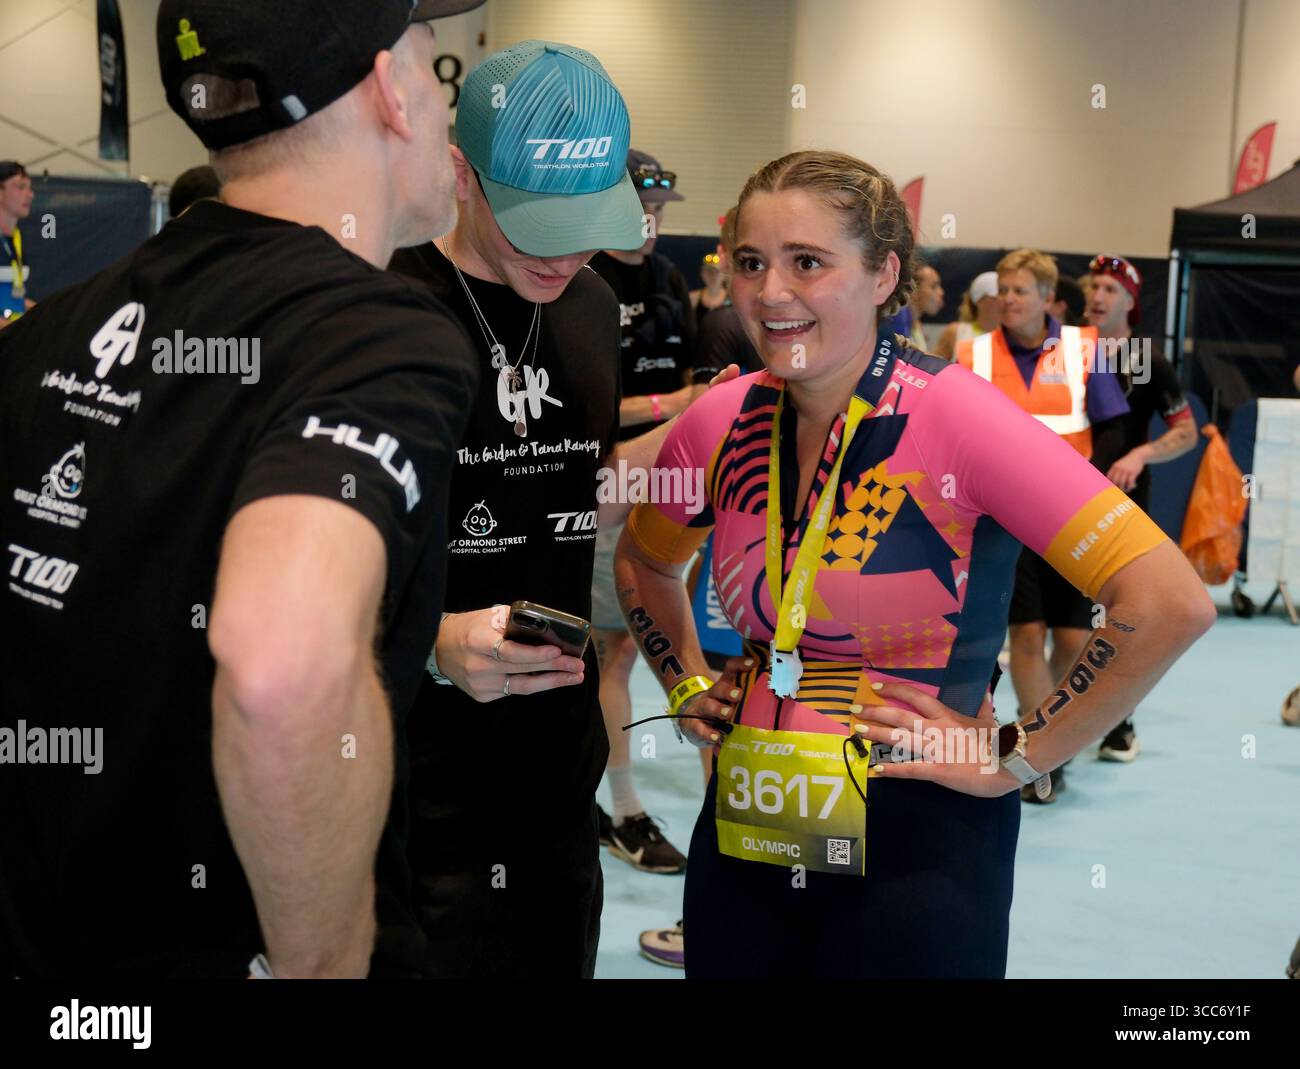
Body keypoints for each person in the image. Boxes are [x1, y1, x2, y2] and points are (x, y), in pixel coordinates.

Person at [613, 149, 1214, 978]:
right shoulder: (717, 421)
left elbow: (1167, 599)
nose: (770, 293)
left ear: (884, 274)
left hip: (919, 842)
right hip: (748, 823)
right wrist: (683, 686)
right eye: (750, 262)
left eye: (808, 262)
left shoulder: (963, 418)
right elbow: (644, 561)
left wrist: (1016, 754)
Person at [0, 0, 482, 979]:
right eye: (435, 73)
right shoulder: (376, 334)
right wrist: (324, 961)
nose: (443, 110)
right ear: (391, 89)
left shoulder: (50, 332)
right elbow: (279, 665)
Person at [388, 41, 728, 977]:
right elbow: (294, 556)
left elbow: (575, 488)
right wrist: (431, 637)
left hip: (552, 759)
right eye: (540, 224)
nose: (569, 252)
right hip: (410, 762)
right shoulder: (383, 309)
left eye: (589, 223)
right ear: (461, 175)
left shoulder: (586, 306)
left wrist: (690, 435)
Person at [956, 248, 1131, 803]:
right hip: (1000, 520)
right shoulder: (973, 353)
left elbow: (1112, 430)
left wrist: (1088, 490)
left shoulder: (1085, 348)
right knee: (1025, 635)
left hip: (1072, 517)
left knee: (1074, 638)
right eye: (1003, 289)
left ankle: (1055, 737)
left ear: (1049, 299)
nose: (1008, 299)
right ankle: (1037, 759)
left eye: (1020, 290)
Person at [587, 148, 704, 874]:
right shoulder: (579, 281)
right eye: (641, 207)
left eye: (660, 209)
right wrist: (674, 407)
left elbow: (689, 379)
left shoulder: (668, 279)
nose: (652, 222)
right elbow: (588, 409)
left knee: (649, 644)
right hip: (605, 484)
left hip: (670, 488)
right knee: (611, 650)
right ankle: (625, 810)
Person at [1086, 253, 1198, 760]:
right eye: (1093, 286)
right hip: (1059, 506)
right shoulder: (1064, 353)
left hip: (1124, 506)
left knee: (1120, 615)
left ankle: (1119, 722)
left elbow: (1186, 432)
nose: (1097, 296)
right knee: (1058, 623)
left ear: (1130, 303)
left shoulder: (1148, 361)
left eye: (1109, 289)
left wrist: (1139, 453)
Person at [934, 270, 999, 360]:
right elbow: (933, 369)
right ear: (979, 301)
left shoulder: (1012, 337)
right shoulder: (955, 332)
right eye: (995, 297)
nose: (1003, 302)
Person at [0, 160, 36, 323]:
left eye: (29, 188)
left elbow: (12, 298)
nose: (30, 194)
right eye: (20, 187)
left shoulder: (15, 239)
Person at [884, 260, 943, 349]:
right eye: (933, 286)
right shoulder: (898, 316)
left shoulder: (915, 323)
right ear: (914, 289)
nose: (941, 292)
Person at [691, 249, 729, 320]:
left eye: (716, 271)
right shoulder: (693, 299)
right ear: (702, 274)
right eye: (708, 271)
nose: (712, 275)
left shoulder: (734, 300)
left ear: (725, 275)